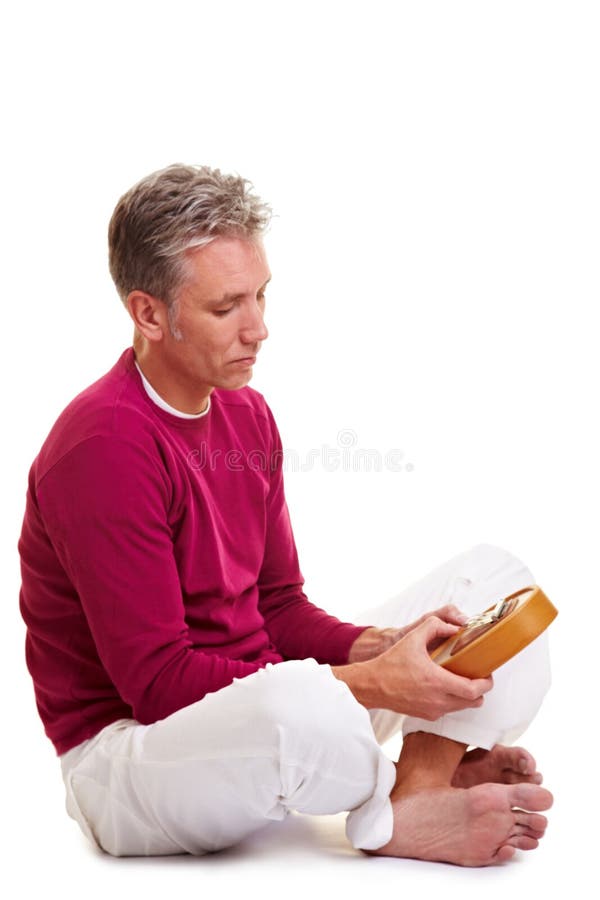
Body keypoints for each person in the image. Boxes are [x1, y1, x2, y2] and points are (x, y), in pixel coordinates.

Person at [18, 164, 553, 866]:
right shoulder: (102, 447)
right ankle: (400, 801)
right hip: (131, 760)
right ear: (150, 314)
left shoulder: (246, 412)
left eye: (262, 295)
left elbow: (277, 606)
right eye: (226, 307)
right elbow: (155, 685)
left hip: (252, 699)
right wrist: (368, 684)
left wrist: (385, 647)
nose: (259, 328)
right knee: (299, 707)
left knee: (494, 583)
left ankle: (412, 794)